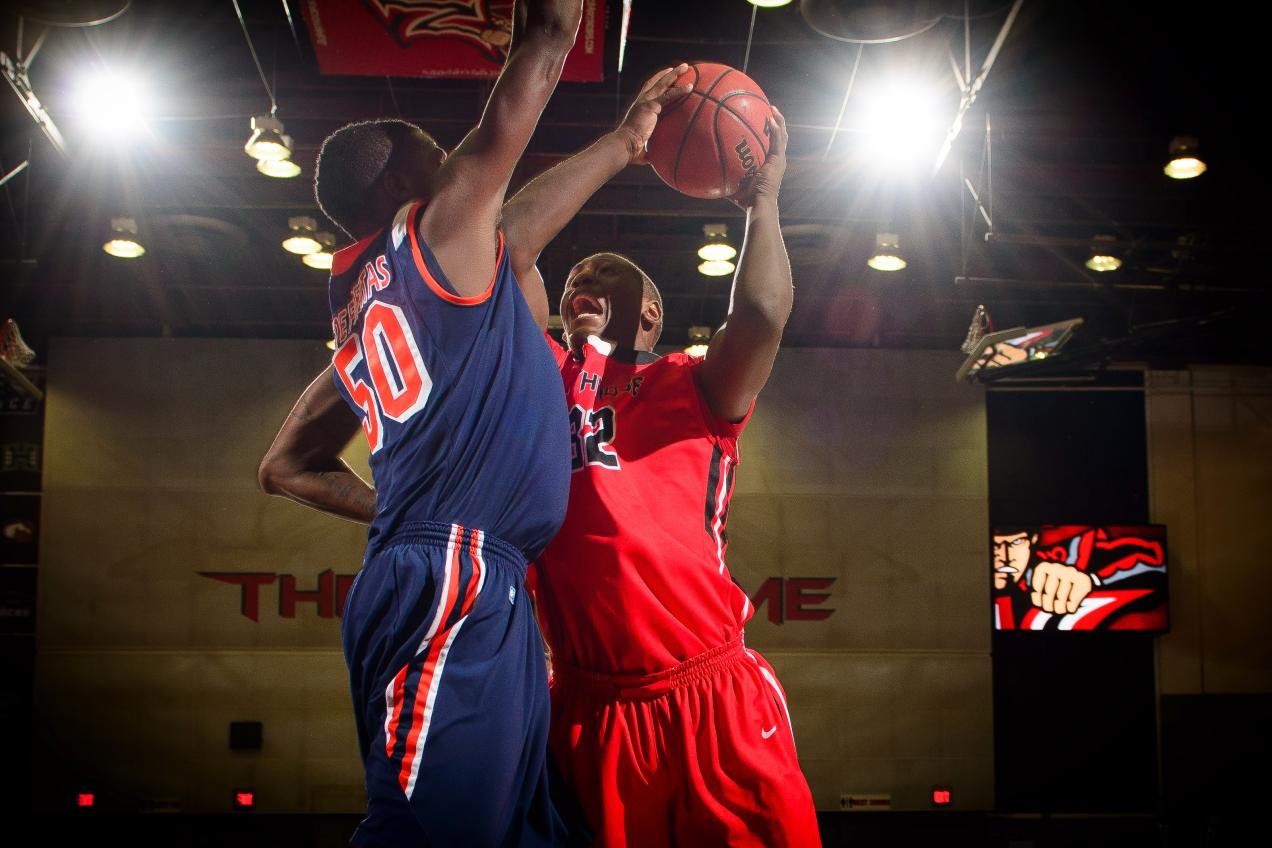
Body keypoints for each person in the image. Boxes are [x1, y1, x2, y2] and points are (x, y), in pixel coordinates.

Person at [256, 3, 585, 845]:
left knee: (528, 830)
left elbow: (284, 465)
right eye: (439, 157)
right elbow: (547, 41)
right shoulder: (434, 234)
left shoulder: (361, 307)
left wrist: (399, 515)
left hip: (467, 568)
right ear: (402, 184)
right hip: (453, 578)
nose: (457, 166)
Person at [502, 108, 822, 846]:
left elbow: (766, 312)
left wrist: (764, 202)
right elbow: (514, 246)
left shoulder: (694, 384)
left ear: (650, 310)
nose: (579, 275)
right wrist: (620, 145)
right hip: (589, 701)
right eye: (574, 275)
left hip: (712, 689)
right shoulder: (541, 373)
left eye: (600, 273)